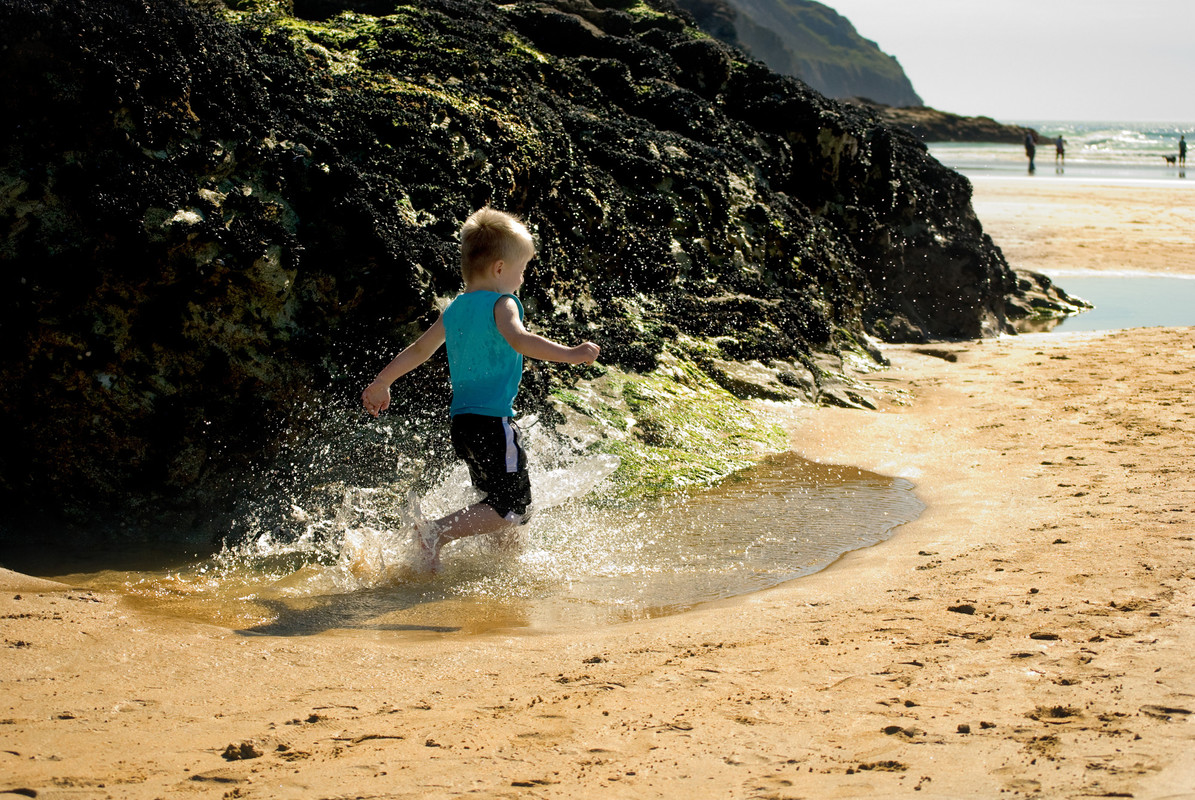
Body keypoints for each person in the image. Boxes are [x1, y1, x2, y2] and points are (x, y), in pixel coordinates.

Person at [361, 207, 600, 571]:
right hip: (493, 421)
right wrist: (570, 353)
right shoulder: (503, 303)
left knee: (494, 500)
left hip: (463, 423)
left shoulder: (456, 308)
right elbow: (519, 340)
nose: (522, 279)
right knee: (514, 507)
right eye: (521, 271)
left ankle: (502, 567)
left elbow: (420, 350)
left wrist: (383, 381)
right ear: (500, 269)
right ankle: (435, 532)